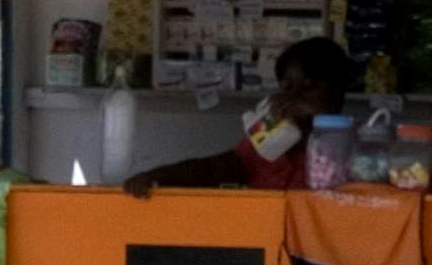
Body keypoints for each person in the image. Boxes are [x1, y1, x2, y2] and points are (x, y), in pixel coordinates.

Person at [138, 38, 363, 191]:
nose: (294, 98)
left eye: (308, 88)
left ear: (337, 91)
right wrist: (158, 177)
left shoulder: (357, 145)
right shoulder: (269, 135)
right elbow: (219, 167)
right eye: (287, 88)